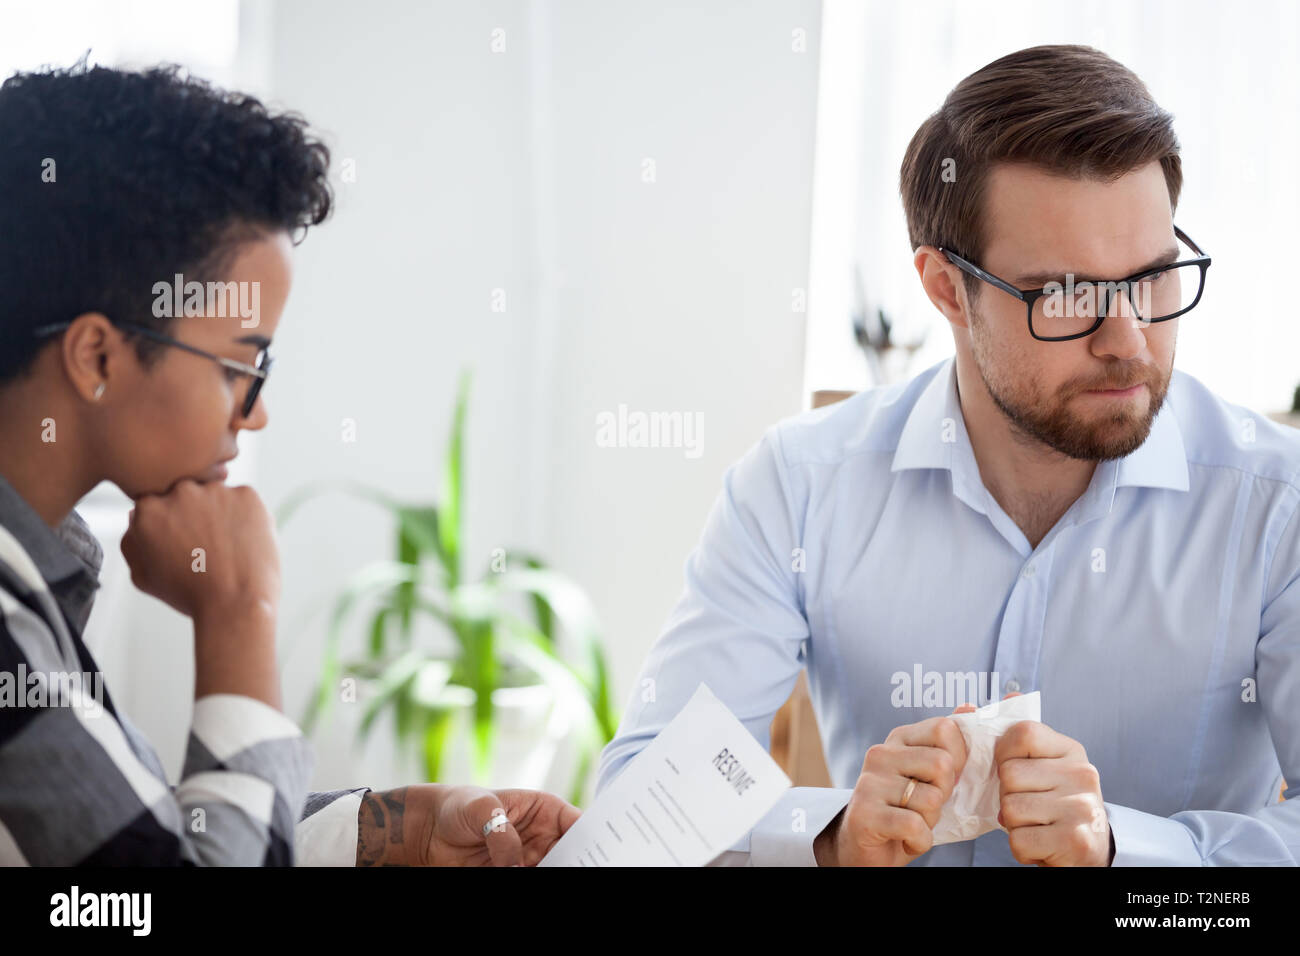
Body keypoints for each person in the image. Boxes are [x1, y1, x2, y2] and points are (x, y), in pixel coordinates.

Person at [597, 44, 1300, 866]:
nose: (1127, 340)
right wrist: (828, 838)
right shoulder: (798, 487)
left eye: (1151, 279)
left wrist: (1130, 852)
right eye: (1067, 296)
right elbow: (642, 804)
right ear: (943, 287)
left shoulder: (1275, 505)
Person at [0, 61, 578, 866]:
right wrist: (239, 612)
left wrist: (399, 829)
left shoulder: (34, 571)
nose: (256, 411)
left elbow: (139, 845)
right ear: (96, 355)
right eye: (242, 366)